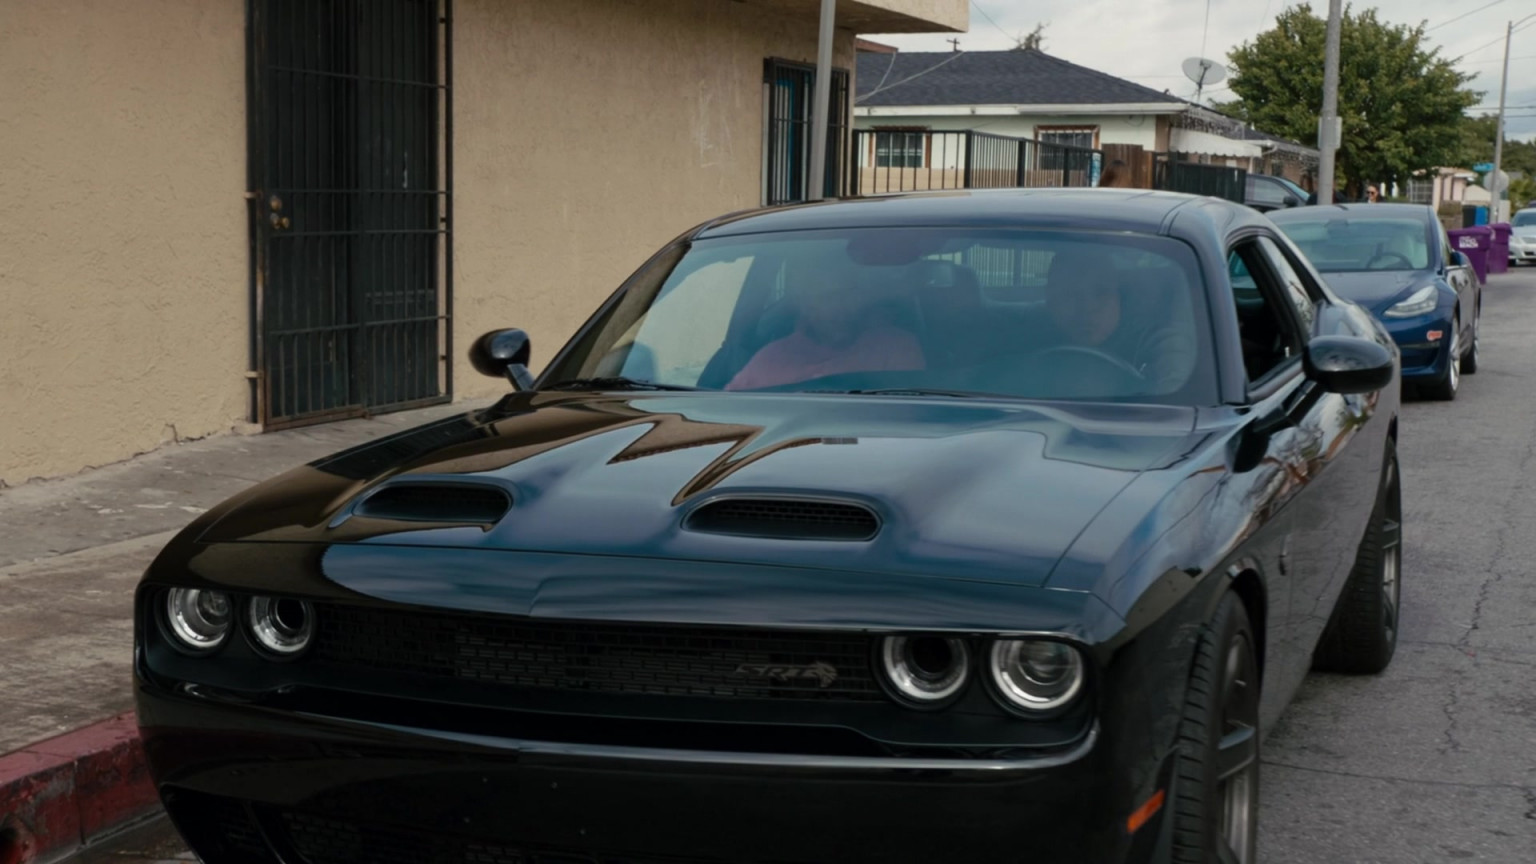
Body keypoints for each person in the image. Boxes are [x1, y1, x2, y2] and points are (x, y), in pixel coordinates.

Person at [725, 257, 925, 390]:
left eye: (846, 294)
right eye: (826, 298)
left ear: (860, 297)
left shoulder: (895, 347)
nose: (839, 305)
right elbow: (729, 413)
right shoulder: (771, 359)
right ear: (805, 305)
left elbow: (911, 417)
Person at [1040, 246, 1196, 393]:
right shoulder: (1027, 339)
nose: (1087, 307)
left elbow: (1175, 386)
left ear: (1119, 298)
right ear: (1051, 301)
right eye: (1070, 294)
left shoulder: (1156, 342)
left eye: (1101, 292)